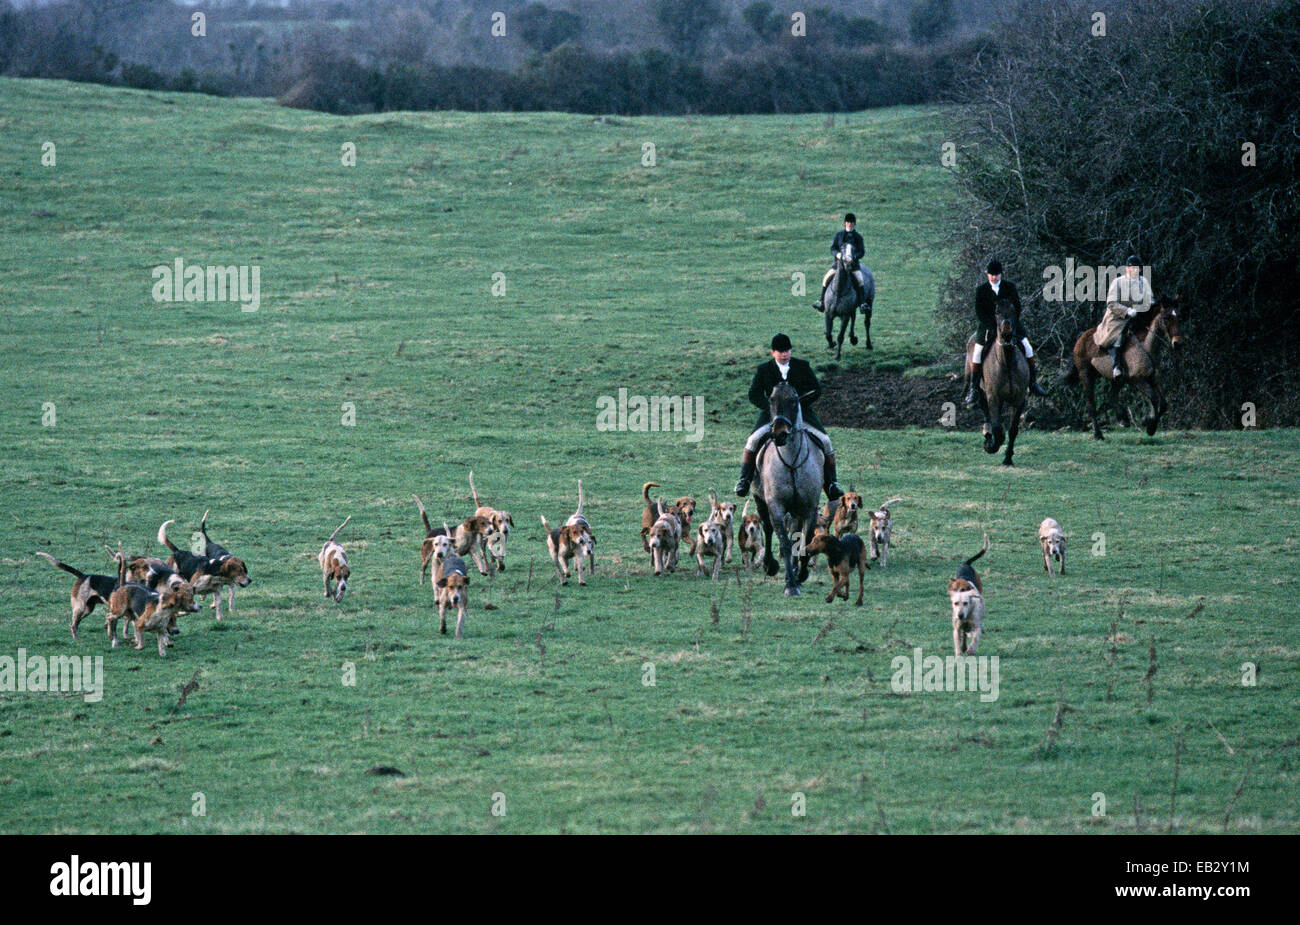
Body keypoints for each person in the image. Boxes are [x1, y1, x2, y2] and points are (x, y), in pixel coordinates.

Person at [733, 333, 842, 502]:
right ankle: (744, 480)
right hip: (772, 416)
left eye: (787, 351)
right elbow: (753, 394)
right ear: (772, 352)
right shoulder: (764, 369)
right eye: (780, 351)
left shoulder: (802, 366)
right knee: (753, 440)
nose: (784, 354)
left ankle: (831, 484)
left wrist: (799, 405)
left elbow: (816, 389)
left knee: (826, 440)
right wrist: (770, 408)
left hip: (801, 415)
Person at [964, 259, 1048, 407]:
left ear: (1001, 274)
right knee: (977, 353)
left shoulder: (1010, 287)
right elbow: (979, 312)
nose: (993, 277)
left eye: (996, 274)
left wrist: (1011, 325)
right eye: (991, 274)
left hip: (1011, 326)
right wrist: (993, 326)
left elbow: (1017, 307)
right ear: (987, 274)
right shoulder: (981, 290)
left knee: (1028, 348)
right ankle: (974, 389)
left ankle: (1033, 383)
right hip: (987, 327)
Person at [1094, 255, 1153, 378]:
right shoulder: (1118, 282)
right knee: (1118, 337)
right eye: (1131, 268)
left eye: (1137, 268)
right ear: (1127, 269)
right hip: (1117, 318)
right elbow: (1111, 302)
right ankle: (1116, 366)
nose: (1134, 270)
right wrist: (1127, 311)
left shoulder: (1143, 282)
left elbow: (1150, 299)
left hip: (1136, 316)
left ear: (1140, 270)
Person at [813, 213, 867, 311]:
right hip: (838, 265)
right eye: (848, 222)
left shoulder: (858, 237)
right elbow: (833, 248)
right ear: (845, 223)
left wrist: (854, 257)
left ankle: (863, 304)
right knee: (825, 278)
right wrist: (838, 255)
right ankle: (821, 302)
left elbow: (862, 252)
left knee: (860, 280)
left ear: (854, 224)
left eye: (851, 222)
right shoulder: (839, 235)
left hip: (853, 266)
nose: (849, 224)